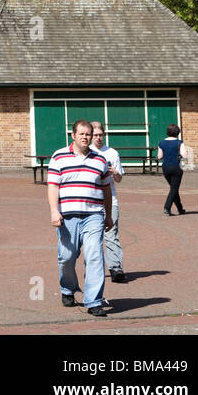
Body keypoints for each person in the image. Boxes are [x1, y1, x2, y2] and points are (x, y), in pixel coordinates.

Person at [47, 119, 114, 316]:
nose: (86, 137)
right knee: (67, 257)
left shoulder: (100, 160)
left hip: (93, 215)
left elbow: (106, 189)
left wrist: (108, 216)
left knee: (94, 256)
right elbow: (53, 186)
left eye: (89, 134)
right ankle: (67, 289)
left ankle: (93, 301)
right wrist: (53, 210)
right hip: (67, 216)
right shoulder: (59, 157)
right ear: (73, 135)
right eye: (82, 134)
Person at [89, 121, 126, 283]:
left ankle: (116, 267)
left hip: (111, 199)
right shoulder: (86, 152)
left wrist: (116, 172)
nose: (98, 138)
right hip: (90, 201)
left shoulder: (112, 153)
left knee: (111, 234)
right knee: (93, 238)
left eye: (100, 135)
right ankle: (93, 269)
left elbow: (119, 179)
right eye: (95, 135)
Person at [157, 124, 188, 216]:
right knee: (174, 188)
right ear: (177, 133)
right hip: (176, 167)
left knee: (174, 188)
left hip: (165, 167)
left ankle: (180, 208)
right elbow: (184, 155)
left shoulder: (161, 142)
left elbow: (159, 156)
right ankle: (167, 207)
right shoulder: (179, 142)